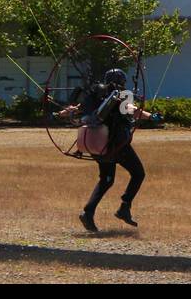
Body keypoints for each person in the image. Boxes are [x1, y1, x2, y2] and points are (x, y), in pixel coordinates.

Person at [59, 67, 156, 232]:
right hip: (116, 145)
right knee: (138, 173)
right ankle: (124, 208)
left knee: (107, 179)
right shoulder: (121, 95)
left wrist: (60, 113)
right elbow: (132, 110)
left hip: (99, 145)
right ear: (121, 81)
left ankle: (87, 213)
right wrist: (151, 116)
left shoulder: (96, 95)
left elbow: (77, 109)